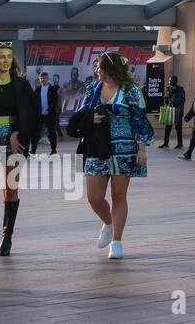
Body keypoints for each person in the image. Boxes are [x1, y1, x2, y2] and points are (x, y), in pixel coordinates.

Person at [67, 52, 152, 260]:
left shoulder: (131, 91)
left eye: (100, 68)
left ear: (108, 70)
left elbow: (140, 120)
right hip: (97, 147)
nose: (97, 71)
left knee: (118, 195)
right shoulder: (93, 89)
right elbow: (81, 114)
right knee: (94, 198)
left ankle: (117, 241)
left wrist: (142, 149)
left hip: (125, 149)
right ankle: (108, 222)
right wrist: (91, 118)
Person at [0, 43, 36, 259]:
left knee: (10, 190)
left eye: (9, 57)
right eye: (1, 56)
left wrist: (17, 135)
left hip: (14, 142)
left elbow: (30, 115)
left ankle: (7, 238)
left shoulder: (21, 86)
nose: (5, 60)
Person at [34, 71, 61, 154]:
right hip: (40, 115)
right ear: (39, 79)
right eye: (41, 78)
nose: (43, 80)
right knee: (36, 132)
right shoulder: (37, 90)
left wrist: (48, 110)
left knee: (52, 132)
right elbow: (35, 102)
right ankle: (33, 150)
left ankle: (53, 150)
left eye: (44, 78)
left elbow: (54, 102)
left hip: (51, 114)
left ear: (47, 79)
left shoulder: (52, 89)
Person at [159, 75, 184, 150]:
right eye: (169, 80)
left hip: (177, 110)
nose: (169, 82)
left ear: (175, 81)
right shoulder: (168, 88)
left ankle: (180, 144)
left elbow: (182, 100)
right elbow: (166, 98)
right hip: (170, 110)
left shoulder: (180, 89)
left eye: (171, 80)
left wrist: (173, 101)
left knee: (178, 128)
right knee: (167, 128)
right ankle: (166, 143)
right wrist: (166, 99)